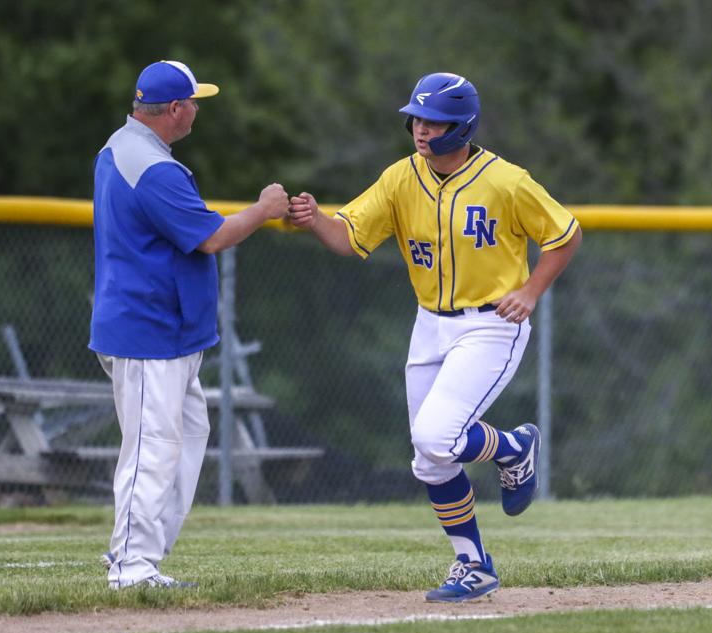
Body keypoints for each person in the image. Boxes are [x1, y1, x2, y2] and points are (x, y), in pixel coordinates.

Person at [288, 72, 581, 602]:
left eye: (435, 121)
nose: (422, 130)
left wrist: (533, 291)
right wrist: (314, 221)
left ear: (462, 126)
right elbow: (349, 237)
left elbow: (565, 234)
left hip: (492, 324)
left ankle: (514, 447)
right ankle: (474, 565)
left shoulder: (507, 181)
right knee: (430, 459)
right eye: (417, 119)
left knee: (435, 437)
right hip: (429, 324)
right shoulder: (402, 178)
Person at [90, 60, 289, 589]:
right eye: (194, 101)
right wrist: (265, 208)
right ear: (174, 109)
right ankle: (132, 565)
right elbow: (211, 238)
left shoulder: (121, 147)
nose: (198, 109)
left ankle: (138, 551)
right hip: (148, 330)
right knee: (152, 445)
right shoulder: (153, 168)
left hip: (162, 330)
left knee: (186, 433)